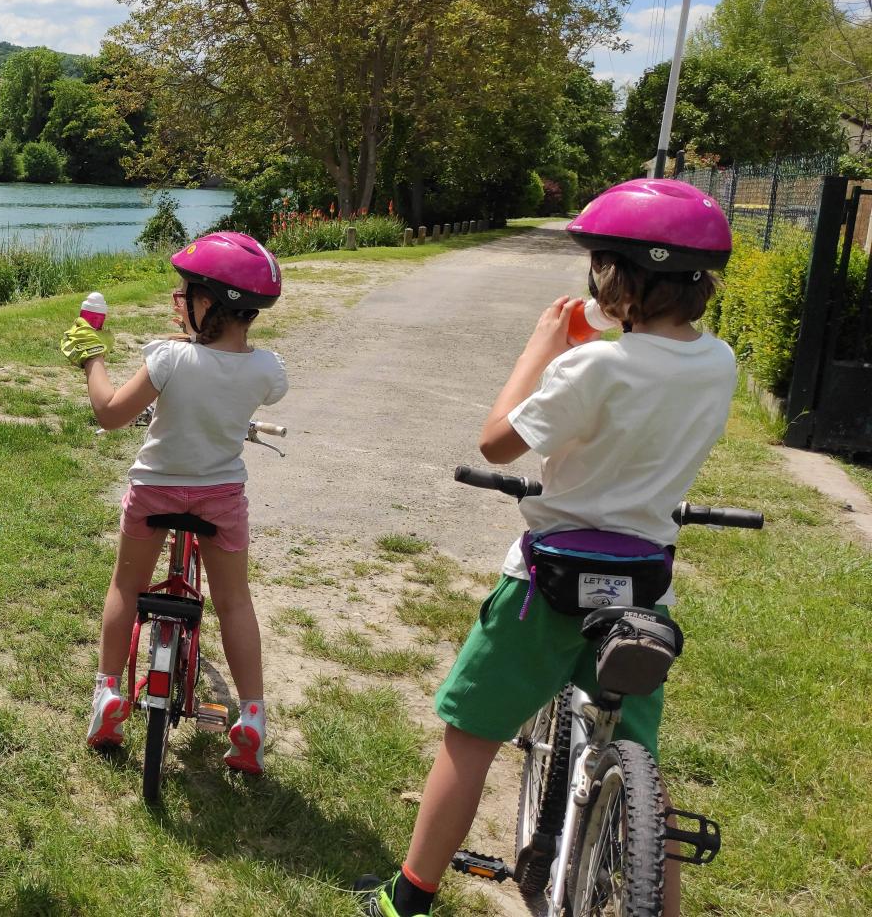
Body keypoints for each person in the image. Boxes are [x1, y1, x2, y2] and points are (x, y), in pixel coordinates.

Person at [355, 179, 738, 917]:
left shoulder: (591, 366)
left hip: (550, 580)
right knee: (642, 761)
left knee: (469, 735)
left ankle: (409, 895)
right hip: (642, 589)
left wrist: (544, 345)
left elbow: (497, 442)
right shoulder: (718, 363)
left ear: (616, 277)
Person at [60, 231, 289, 775]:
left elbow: (111, 413)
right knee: (234, 603)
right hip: (221, 499)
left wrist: (92, 357)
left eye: (184, 292)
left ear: (205, 302)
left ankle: (107, 694)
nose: (178, 299)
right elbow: (232, 376)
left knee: (126, 586)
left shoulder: (168, 359)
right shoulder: (267, 371)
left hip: (155, 492)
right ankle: (252, 715)